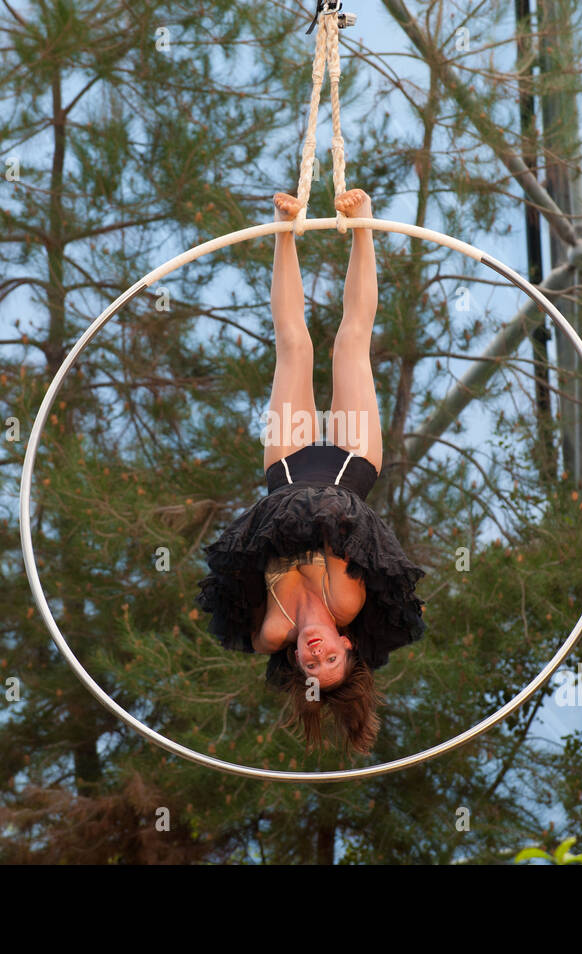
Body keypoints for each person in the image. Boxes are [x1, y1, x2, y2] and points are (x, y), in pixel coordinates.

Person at [194, 188, 426, 756]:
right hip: (348, 469)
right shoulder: (346, 604)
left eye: (311, 662)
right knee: (351, 344)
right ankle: (363, 226)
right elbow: (353, 532)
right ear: (348, 644)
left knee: (293, 347)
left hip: (287, 474)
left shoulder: (271, 630)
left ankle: (283, 226)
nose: (317, 650)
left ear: (294, 660)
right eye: (332, 657)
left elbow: (232, 575)